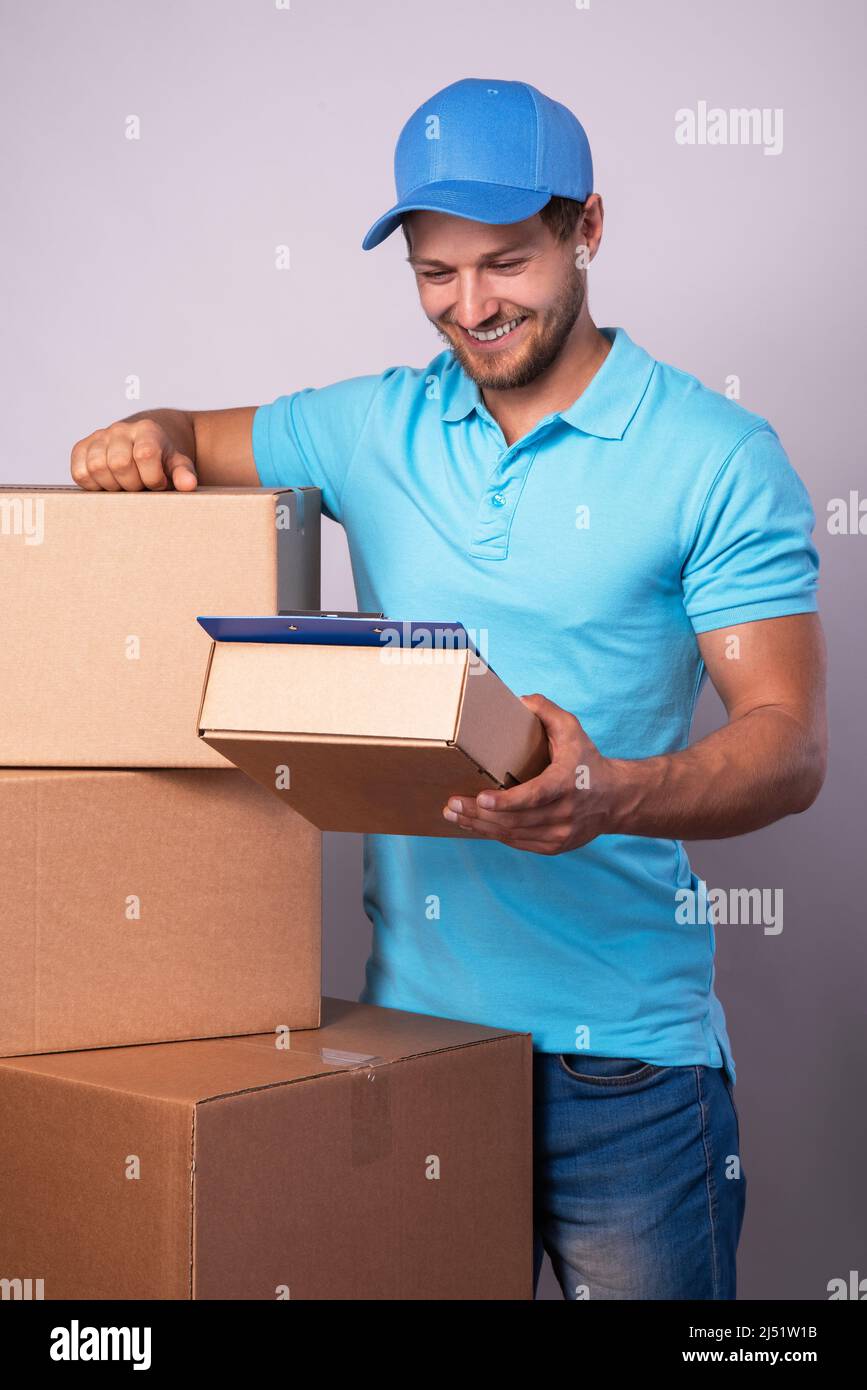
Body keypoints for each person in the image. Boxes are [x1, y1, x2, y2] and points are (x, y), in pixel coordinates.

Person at [70, 77, 827, 1300]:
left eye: (507, 262)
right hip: (409, 1047)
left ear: (588, 227)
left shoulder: (716, 458)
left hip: (626, 1067)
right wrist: (133, 436)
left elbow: (790, 747)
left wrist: (610, 791)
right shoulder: (371, 426)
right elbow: (178, 433)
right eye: (436, 273)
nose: (471, 307)